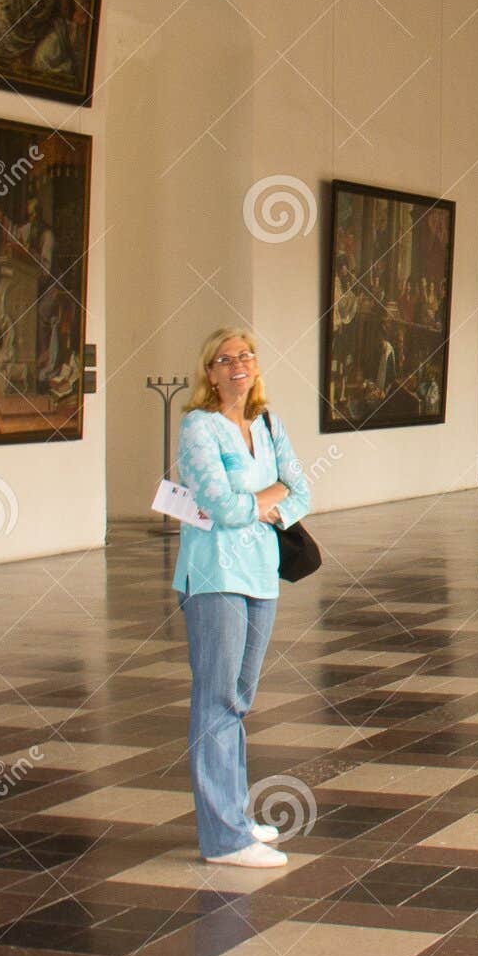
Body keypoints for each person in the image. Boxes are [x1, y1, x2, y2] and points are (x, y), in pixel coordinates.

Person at [173, 327, 311, 868]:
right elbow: (219, 506)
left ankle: (232, 812)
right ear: (209, 372)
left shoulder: (269, 423)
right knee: (216, 701)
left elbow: (302, 489)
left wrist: (260, 498)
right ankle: (224, 839)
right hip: (213, 578)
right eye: (225, 359)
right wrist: (267, 497)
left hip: (260, 573)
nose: (238, 365)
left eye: (246, 356)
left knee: (240, 698)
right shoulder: (198, 427)